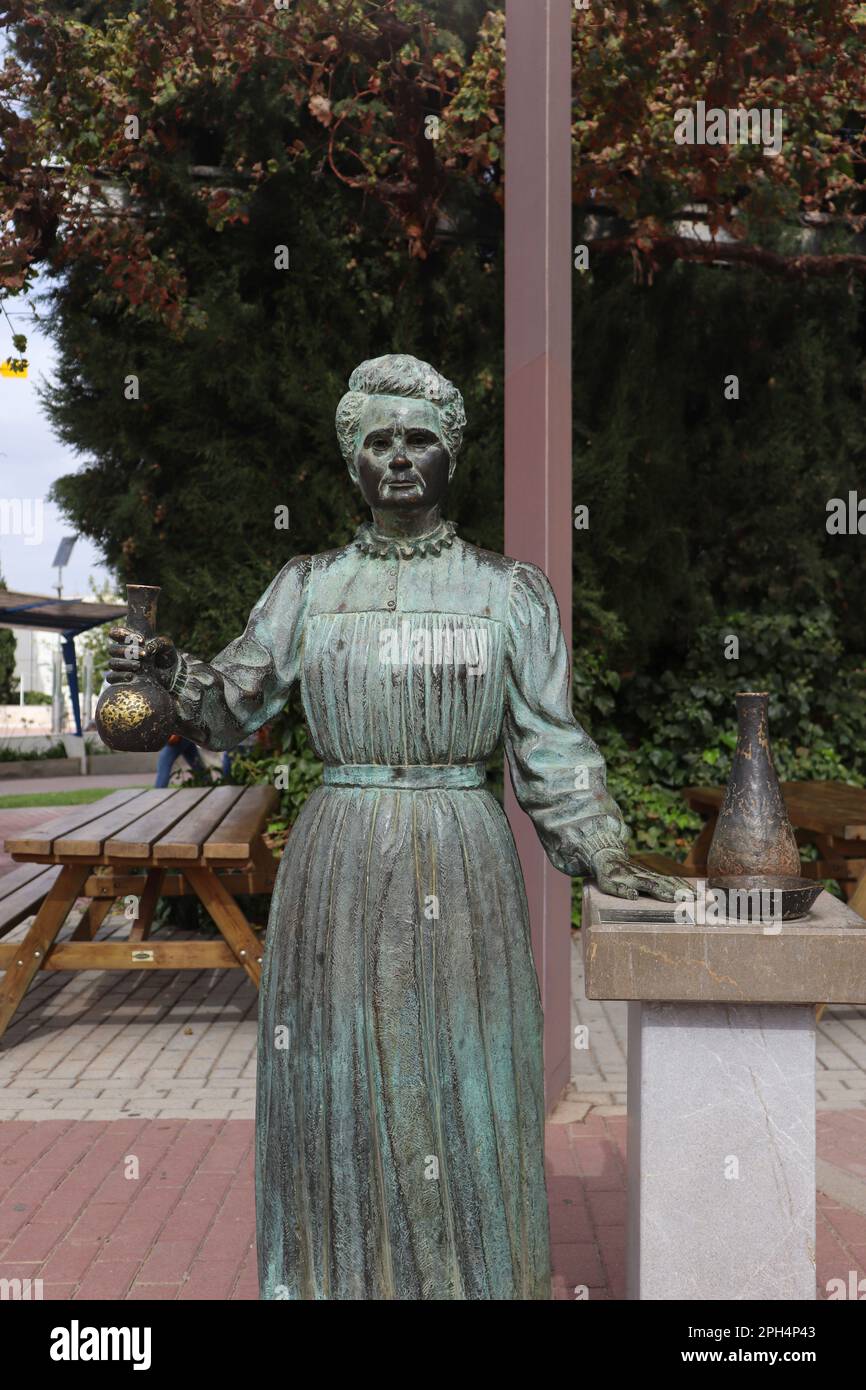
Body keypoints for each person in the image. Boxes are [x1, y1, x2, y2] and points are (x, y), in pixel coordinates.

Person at [107, 354, 686, 1301]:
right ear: (352, 463)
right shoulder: (309, 585)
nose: (401, 459)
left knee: (462, 1074)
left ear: (453, 455)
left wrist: (604, 853)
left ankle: (476, 1283)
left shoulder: (509, 594)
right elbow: (228, 707)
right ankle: (339, 1280)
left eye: (420, 440)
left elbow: (551, 748)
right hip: (338, 861)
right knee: (336, 1080)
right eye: (378, 442)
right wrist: (167, 670)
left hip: (461, 859)